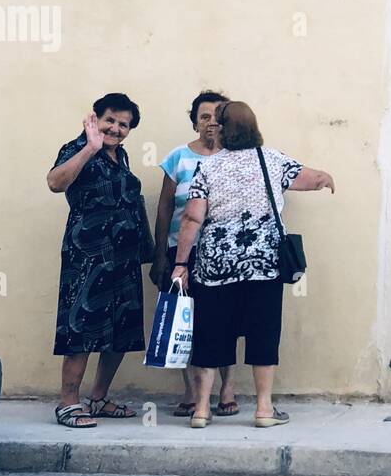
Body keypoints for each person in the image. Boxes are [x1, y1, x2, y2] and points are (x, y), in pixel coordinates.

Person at [170, 100, 334, 429]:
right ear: (254, 126)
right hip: (263, 264)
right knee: (263, 333)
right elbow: (310, 179)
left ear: (222, 128)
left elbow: (191, 218)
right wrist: (326, 178)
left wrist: (180, 263)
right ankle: (263, 410)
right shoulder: (272, 160)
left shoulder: (209, 167)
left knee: (211, 334)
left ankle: (201, 410)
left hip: (216, 267)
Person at [47, 93, 153, 429]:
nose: (116, 128)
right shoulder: (78, 148)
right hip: (88, 258)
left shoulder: (121, 156)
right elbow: (54, 182)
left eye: (124, 124)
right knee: (81, 329)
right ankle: (67, 403)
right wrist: (90, 147)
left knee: (121, 331)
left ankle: (99, 399)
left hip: (123, 259)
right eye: (111, 120)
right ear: (96, 118)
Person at [150, 90, 237, 418]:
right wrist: (161, 253)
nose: (211, 122)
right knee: (181, 320)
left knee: (223, 320)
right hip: (181, 249)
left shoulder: (236, 156)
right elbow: (164, 206)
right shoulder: (178, 157)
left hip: (223, 251)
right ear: (195, 122)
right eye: (204, 116)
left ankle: (227, 388)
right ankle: (189, 390)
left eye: (217, 115)